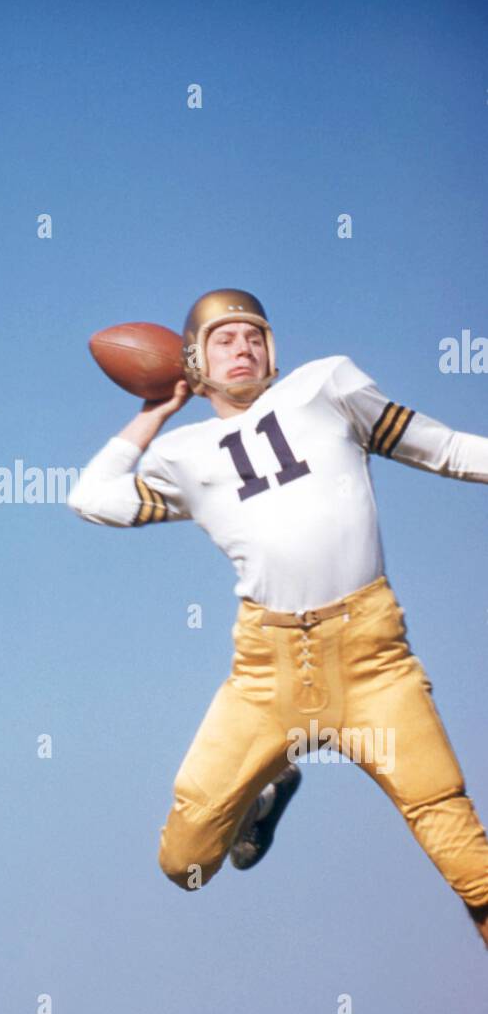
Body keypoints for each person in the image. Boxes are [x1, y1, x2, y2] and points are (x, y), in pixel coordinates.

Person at [67, 289, 488, 949]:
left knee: (468, 859)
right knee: (186, 865)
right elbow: (91, 498)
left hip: (371, 661)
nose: (243, 347)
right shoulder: (184, 455)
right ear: (192, 361)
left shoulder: (327, 387)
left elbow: (446, 450)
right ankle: (264, 794)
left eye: (253, 336)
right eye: (223, 339)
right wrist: (153, 410)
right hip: (266, 675)